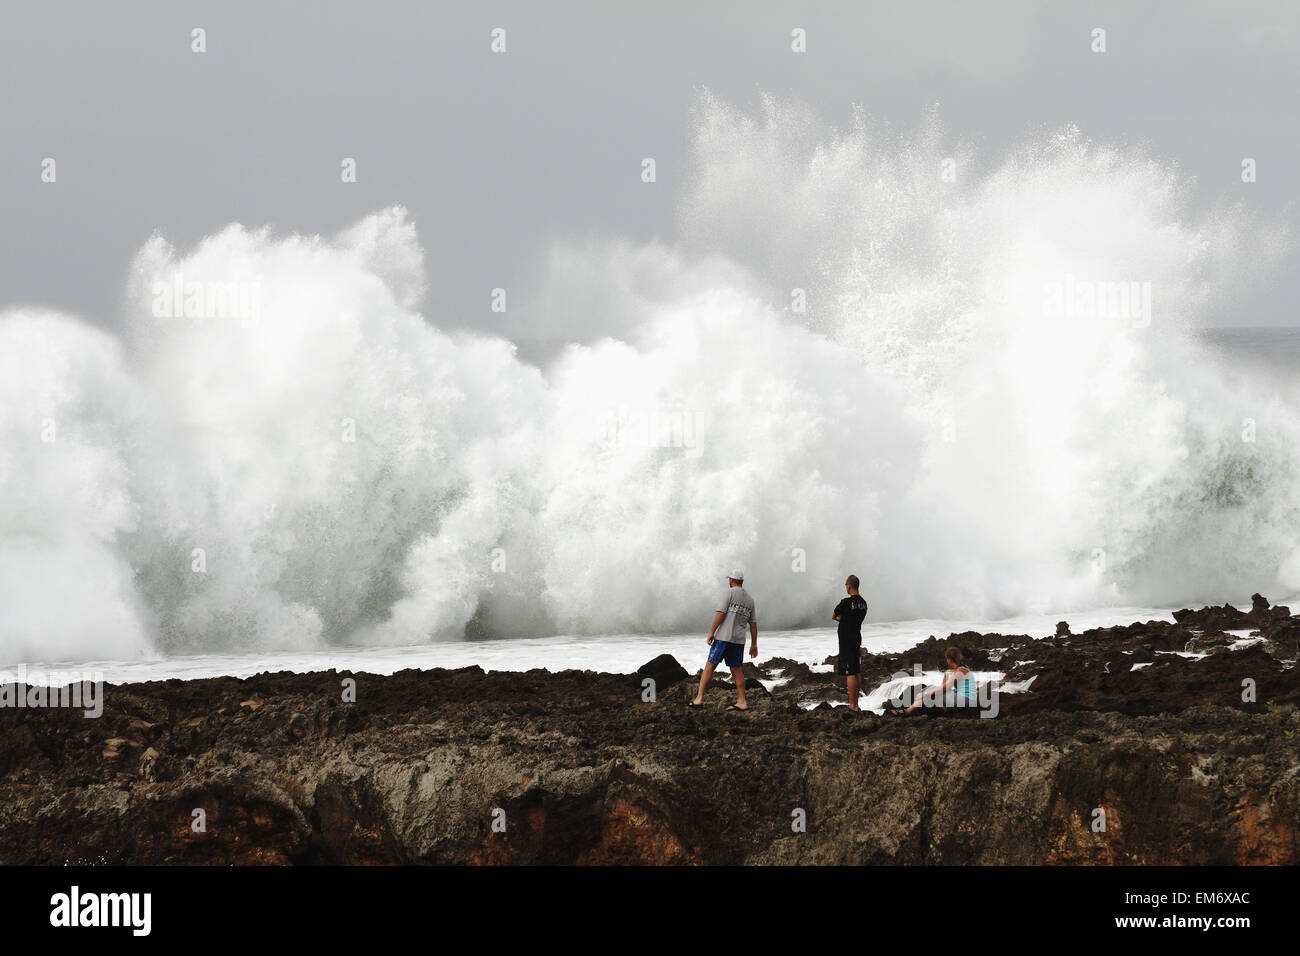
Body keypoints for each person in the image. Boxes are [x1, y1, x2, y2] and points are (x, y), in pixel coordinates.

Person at [690, 569, 758, 711]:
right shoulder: (750, 600)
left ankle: (699, 699)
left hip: (723, 637)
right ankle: (742, 701)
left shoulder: (729, 593)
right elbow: (753, 624)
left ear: (732, 580)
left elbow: (721, 613)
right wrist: (754, 644)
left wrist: (711, 632)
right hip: (738, 640)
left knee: (710, 665)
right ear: (742, 581)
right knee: (736, 669)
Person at [890, 645, 977, 716]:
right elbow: (944, 686)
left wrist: (925, 693)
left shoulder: (960, 672)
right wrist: (946, 675)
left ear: (949, 660)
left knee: (933, 693)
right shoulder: (962, 669)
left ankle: (907, 711)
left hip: (965, 700)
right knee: (933, 689)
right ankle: (911, 706)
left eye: (947, 659)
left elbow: (944, 688)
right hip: (965, 698)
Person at [831, 575, 869, 711]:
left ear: (849, 585)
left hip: (846, 639)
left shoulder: (846, 602)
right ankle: (856, 704)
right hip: (857, 637)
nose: (845, 587)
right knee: (856, 670)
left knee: (850, 672)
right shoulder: (863, 603)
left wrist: (842, 618)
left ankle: (852, 705)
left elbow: (833, 615)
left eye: (845, 584)